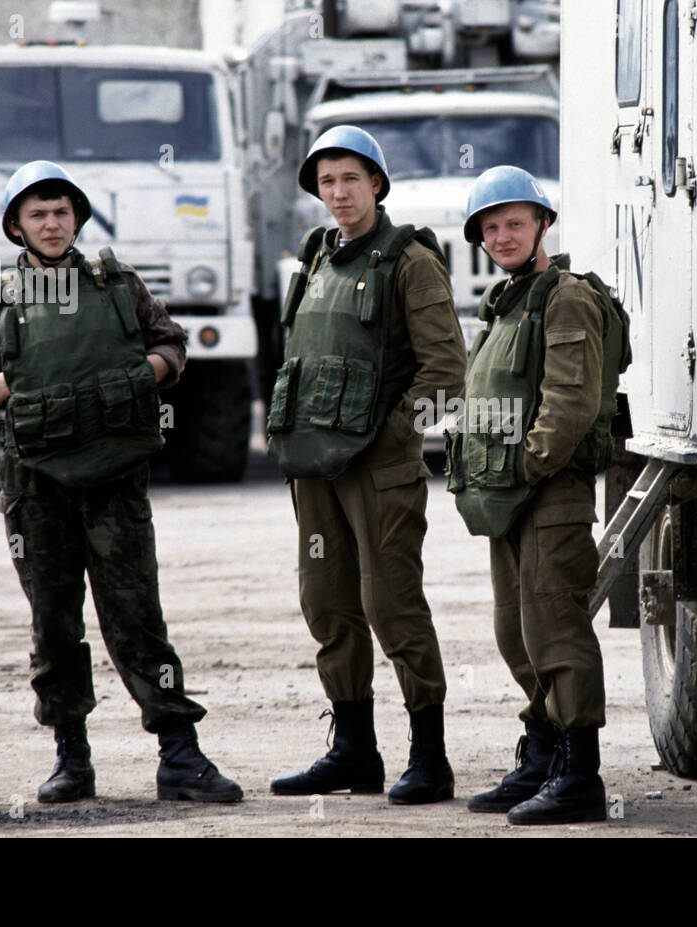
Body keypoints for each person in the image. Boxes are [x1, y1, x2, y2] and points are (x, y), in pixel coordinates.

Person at [0, 160, 242, 804]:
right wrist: (10, 384)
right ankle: (71, 758)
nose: (51, 224)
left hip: (114, 477)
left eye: (61, 212)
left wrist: (139, 376)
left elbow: (172, 345)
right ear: (16, 226)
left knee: (136, 616)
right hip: (35, 482)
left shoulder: (113, 281)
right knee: (53, 623)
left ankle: (179, 756)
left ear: (77, 218)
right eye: (37, 214)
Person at [265, 125, 467, 804]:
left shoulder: (408, 259)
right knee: (327, 604)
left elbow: (446, 372)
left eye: (350, 178)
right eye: (326, 181)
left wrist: (390, 437)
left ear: (377, 183)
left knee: (392, 604)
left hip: (377, 469)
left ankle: (429, 757)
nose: (339, 192)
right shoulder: (316, 256)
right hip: (316, 465)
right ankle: (354, 750)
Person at [448, 165, 627, 825]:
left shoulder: (566, 295)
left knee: (556, 626)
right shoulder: (507, 299)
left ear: (542, 224)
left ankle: (579, 774)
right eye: (490, 228)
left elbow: (571, 398)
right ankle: (540, 753)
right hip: (508, 493)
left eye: (514, 222)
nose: (501, 235)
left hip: (549, 488)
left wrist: (529, 463)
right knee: (515, 629)